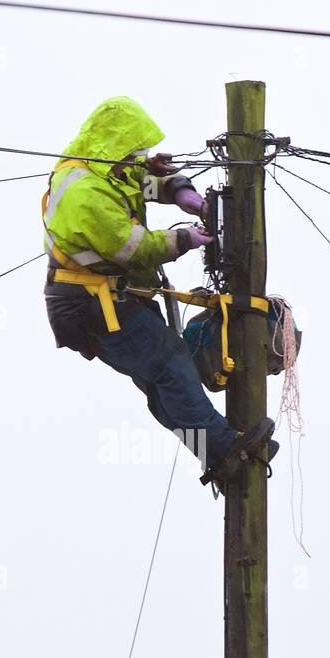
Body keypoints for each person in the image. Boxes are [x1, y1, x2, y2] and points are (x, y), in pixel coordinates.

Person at [42, 96, 276, 486]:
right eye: (135, 154)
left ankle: (217, 456)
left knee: (161, 382)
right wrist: (185, 238)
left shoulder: (102, 168)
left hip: (106, 298)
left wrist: (183, 192)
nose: (139, 161)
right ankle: (223, 448)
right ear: (115, 147)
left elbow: (142, 183)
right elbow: (133, 248)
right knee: (170, 365)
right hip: (92, 303)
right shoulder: (84, 195)